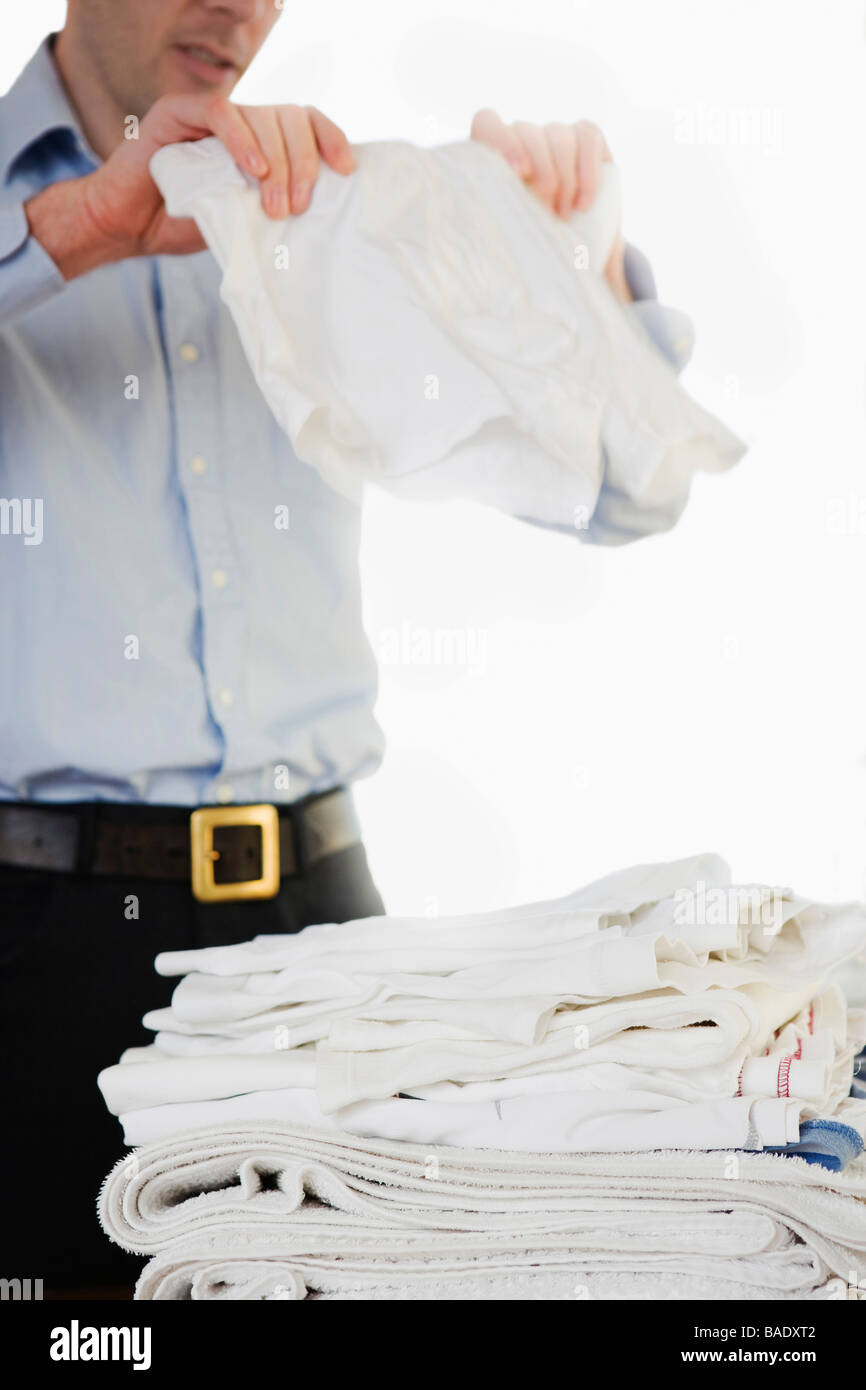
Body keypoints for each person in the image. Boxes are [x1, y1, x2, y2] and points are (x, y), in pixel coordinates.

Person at [0, 0, 693, 1293]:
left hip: (322, 936)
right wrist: (67, 236)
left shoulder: (319, 211)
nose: (241, 8)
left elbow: (627, 492)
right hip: (36, 943)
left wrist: (571, 273)